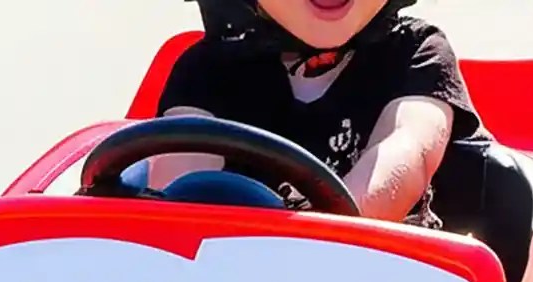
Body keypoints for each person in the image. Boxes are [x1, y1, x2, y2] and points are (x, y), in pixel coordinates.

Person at [148, 0, 490, 229]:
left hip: (385, 277)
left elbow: (407, 151)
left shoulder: (417, 52)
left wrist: (315, 246)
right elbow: (178, 194)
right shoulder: (208, 68)